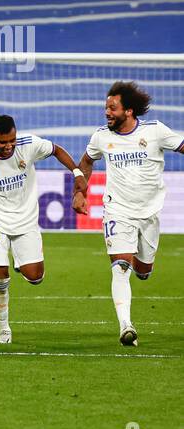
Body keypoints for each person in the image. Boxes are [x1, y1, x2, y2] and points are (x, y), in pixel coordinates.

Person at [73, 82, 184, 346]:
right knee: (120, 267)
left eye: (113, 108)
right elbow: (87, 161)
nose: (107, 112)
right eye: (106, 108)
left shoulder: (156, 132)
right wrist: (80, 192)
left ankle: (142, 266)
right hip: (117, 210)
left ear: (130, 111)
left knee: (143, 271)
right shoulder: (101, 137)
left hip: (149, 213)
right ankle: (126, 326)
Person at [0, 115, 79, 345]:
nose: (8, 146)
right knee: (0, 278)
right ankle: (4, 329)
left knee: (36, 277)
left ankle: (20, 262)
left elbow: (56, 149)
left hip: (26, 221)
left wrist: (77, 173)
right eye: (3, 142)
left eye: (11, 140)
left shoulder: (28, 145)